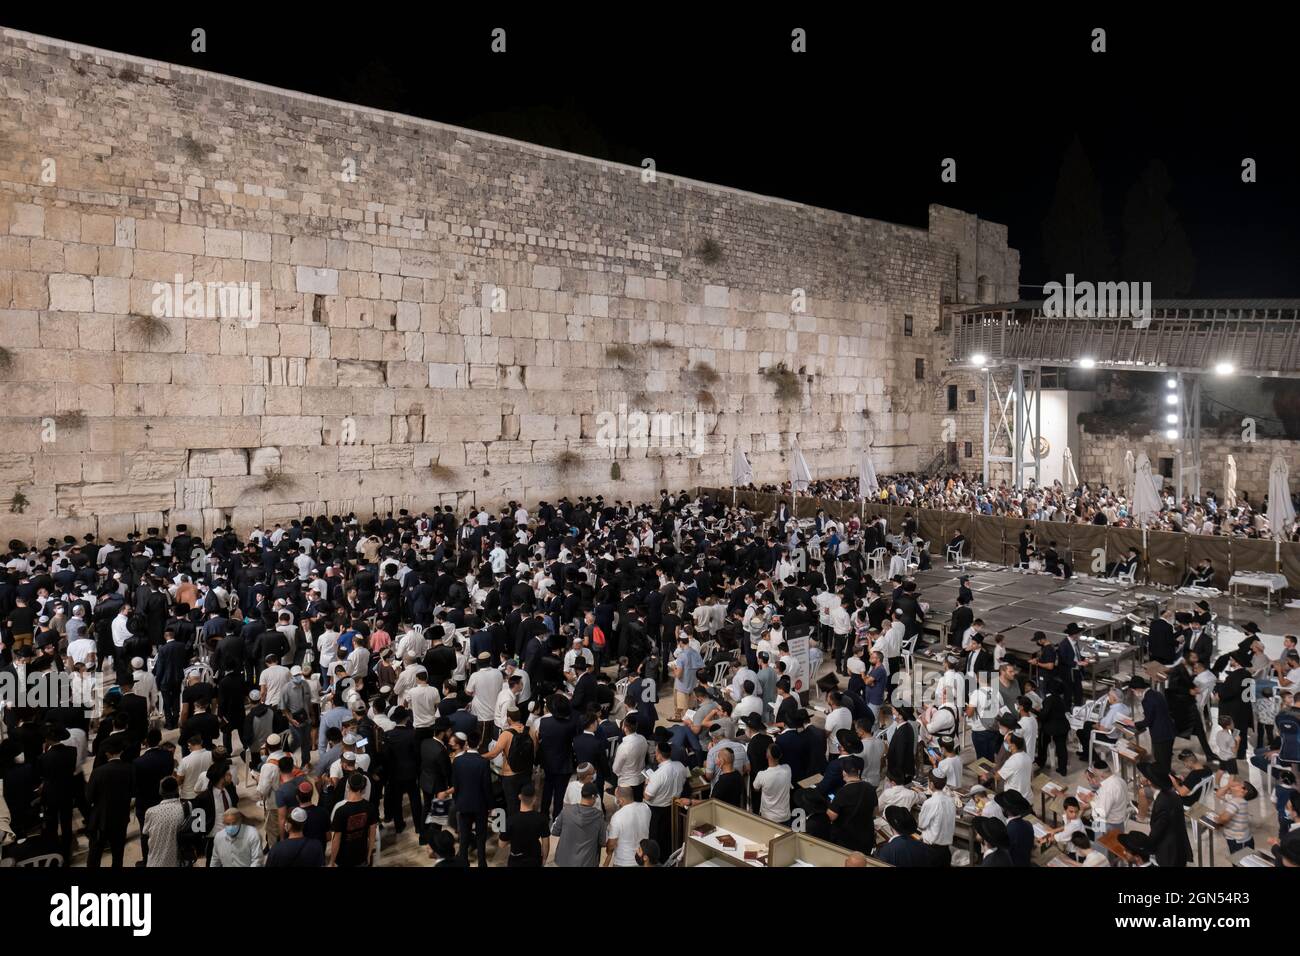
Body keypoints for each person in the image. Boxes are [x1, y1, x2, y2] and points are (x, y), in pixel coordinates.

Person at [85, 738, 135, 868]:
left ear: (107, 753)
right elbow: (133, 791)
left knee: (94, 855)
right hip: (121, 817)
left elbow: (88, 797)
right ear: (122, 752)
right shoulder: (130, 769)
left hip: (100, 819)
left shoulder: (98, 772)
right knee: (118, 855)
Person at [447, 730, 493, 866]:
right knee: (481, 835)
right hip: (480, 805)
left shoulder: (458, 761)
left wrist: (457, 800)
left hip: (463, 803)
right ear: (479, 743)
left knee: (464, 834)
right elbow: (487, 787)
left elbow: (455, 785)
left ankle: (463, 860)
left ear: (467, 743)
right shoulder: (483, 762)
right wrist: (491, 805)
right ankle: (482, 862)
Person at [1141, 762, 1192, 867]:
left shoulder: (1162, 802)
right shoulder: (1172, 795)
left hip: (1169, 852)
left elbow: (1158, 830)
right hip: (1179, 846)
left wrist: (1146, 847)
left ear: (1149, 782)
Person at [551, 781, 607, 867]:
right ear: (593, 796)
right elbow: (603, 842)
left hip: (564, 861)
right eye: (596, 797)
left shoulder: (566, 811)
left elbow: (554, 830)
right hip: (587, 862)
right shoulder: (599, 816)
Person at [329, 772, 379, 867]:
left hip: (343, 859)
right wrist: (369, 855)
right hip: (361, 856)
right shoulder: (370, 807)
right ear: (363, 787)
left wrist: (332, 861)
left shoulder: (340, 811)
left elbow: (336, 840)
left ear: (348, 786)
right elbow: (372, 834)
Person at [141, 777, 188, 868]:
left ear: (160, 791)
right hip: (179, 861)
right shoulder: (187, 807)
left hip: (155, 862)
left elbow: (145, 832)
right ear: (177, 790)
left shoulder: (151, 812)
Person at [501, 784, 551, 867]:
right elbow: (545, 843)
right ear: (535, 799)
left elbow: (502, 844)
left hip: (516, 860)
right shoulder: (542, 818)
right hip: (534, 859)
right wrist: (544, 859)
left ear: (520, 797)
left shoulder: (510, 820)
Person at [604, 786, 651, 867]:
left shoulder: (617, 817)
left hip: (623, 861)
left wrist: (608, 852)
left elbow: (611, 844)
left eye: (616, 797)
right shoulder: (645, 808)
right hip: (642, 859)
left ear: (621, 800)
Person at [752, 743, 793, 825]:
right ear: (780, 755)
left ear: (767, 756)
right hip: (785, 816)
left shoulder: (762, 775)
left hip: (768, 817)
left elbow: (755, 788)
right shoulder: (787, 769)